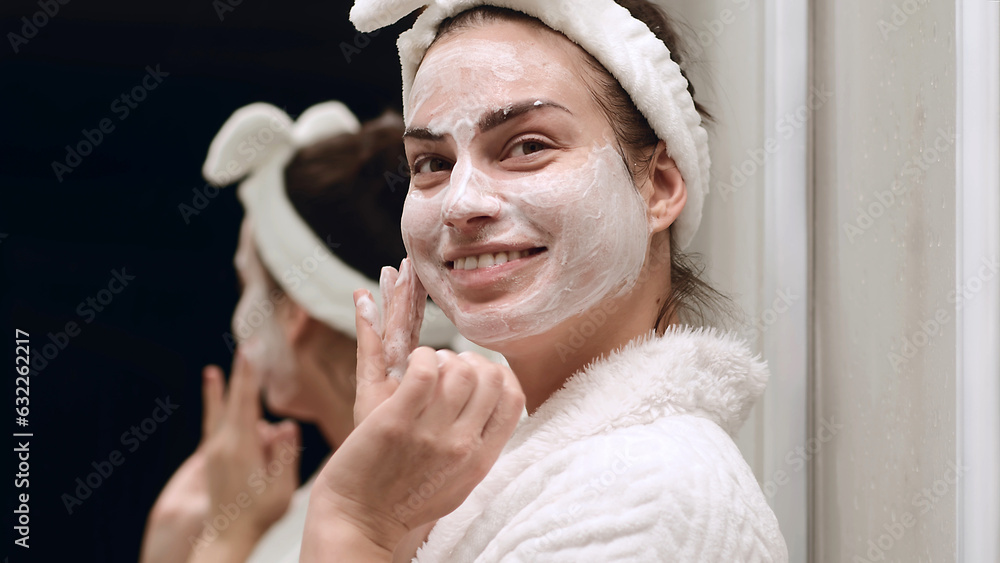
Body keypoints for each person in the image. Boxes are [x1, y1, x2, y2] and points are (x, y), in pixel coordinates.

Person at [302, 1, 789, 561]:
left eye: (527, 147)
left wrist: (359, 523)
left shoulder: (643, 496)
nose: (461, 204)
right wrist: (407, 513)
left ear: (657, 186)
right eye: (432, 163)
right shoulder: (524, 486)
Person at [138, 101, 457, 563]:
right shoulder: (440, 476)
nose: (237, 319)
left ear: (293, 314)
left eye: (247, 284)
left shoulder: (385, 521)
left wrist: (225, 538)